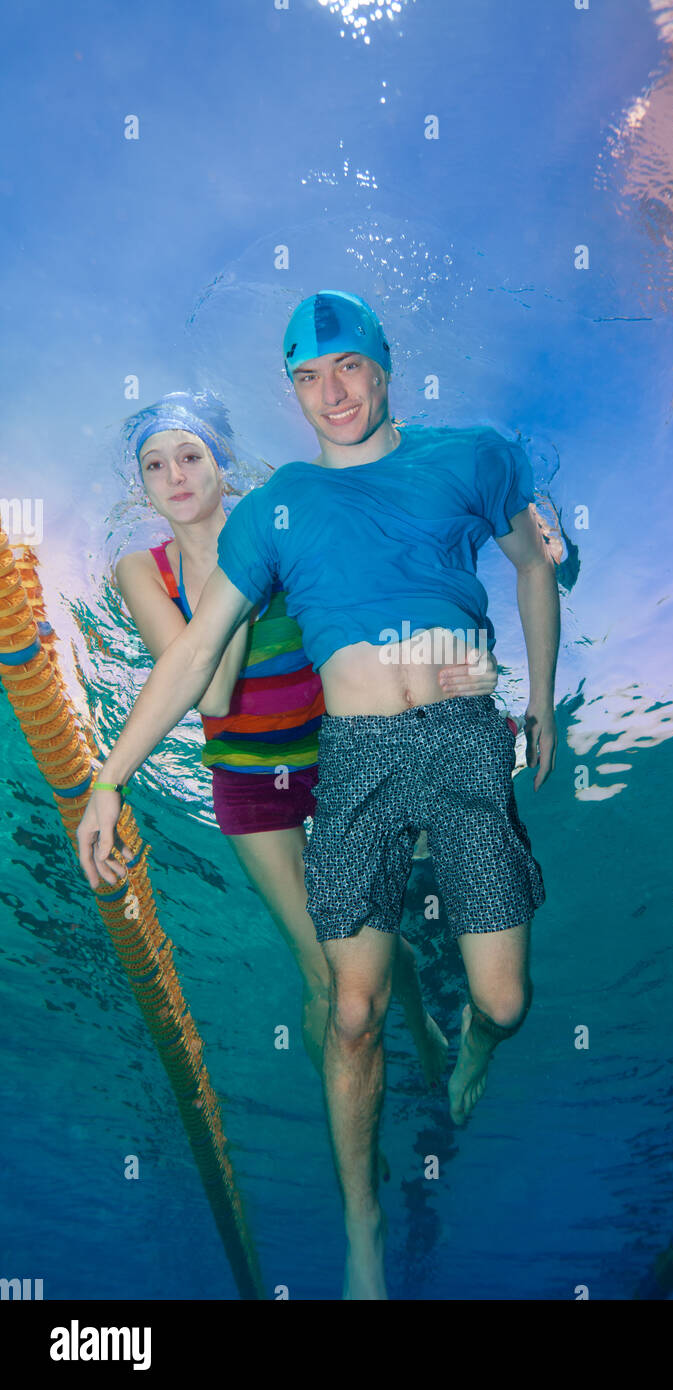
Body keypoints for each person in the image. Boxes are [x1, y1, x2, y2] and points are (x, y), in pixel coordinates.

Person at [77, 291, 560, 1300]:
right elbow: (200, 649)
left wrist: (545, 706)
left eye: (346, 367)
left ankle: (470, 1043)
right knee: (348, 1010)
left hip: (466, 739)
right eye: (306, 376)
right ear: (290, 390)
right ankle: (362, 1234)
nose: (330, 392)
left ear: (384, 365)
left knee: (505, 1002)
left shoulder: (468, 454)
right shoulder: (277, 504)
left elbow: (535, 567)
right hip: (352, 758)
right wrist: (109, 780)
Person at [111, 391, 499, 1108]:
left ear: (220, 462)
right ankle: (355, 1141)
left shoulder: (284, 524)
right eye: (155, 465)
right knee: (322, 968)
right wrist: (236, 578)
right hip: (248, 778)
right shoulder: (143, 571)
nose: (176, 476)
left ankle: (424, 1030)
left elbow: (391, 572)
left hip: (335, 757)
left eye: (191, 456)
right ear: (143, 485)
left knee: (373, 936)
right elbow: (214, 694)